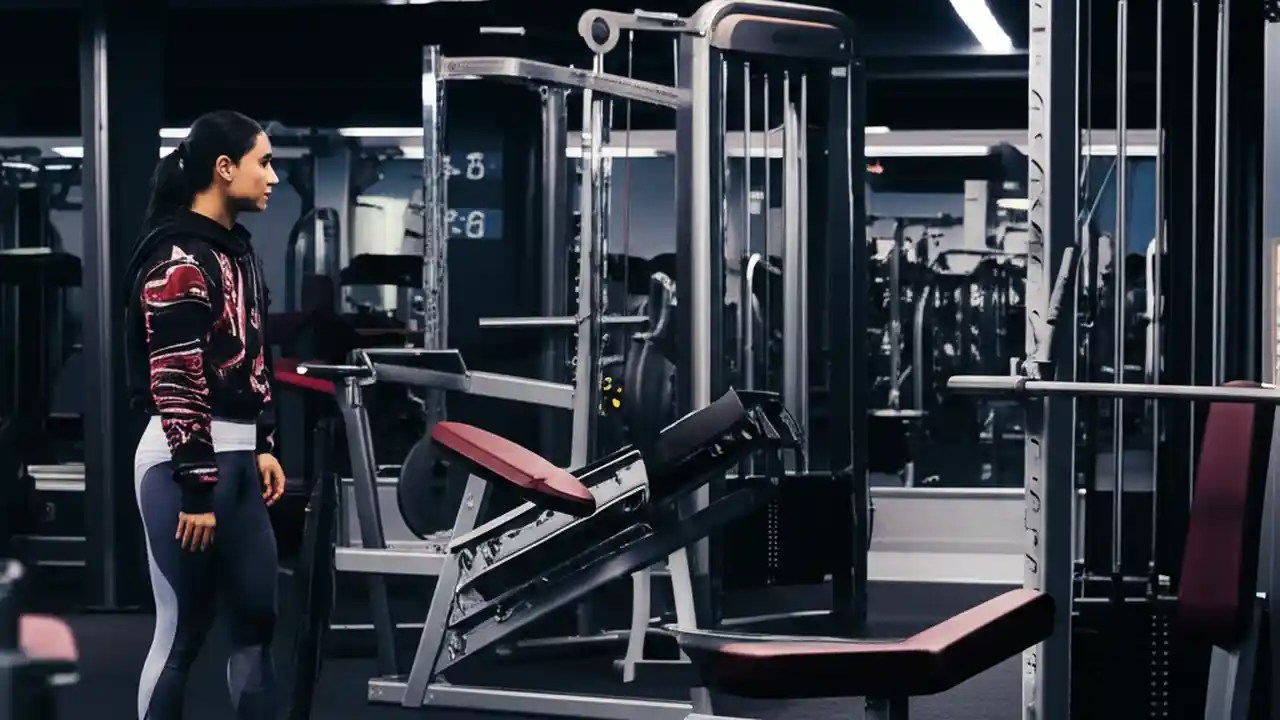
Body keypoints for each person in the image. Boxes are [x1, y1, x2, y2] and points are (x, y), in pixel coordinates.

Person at [122, 110, 286, 720]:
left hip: (240, 461)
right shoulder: (179, 258)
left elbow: (249, 358)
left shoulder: (235, 253)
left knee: (255, 624)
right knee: (183, 634)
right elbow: (176, 378)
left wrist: (263, 442)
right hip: (181, 466)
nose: (273, 176)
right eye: (263, 162)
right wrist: (196, 485)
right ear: (224, 169)